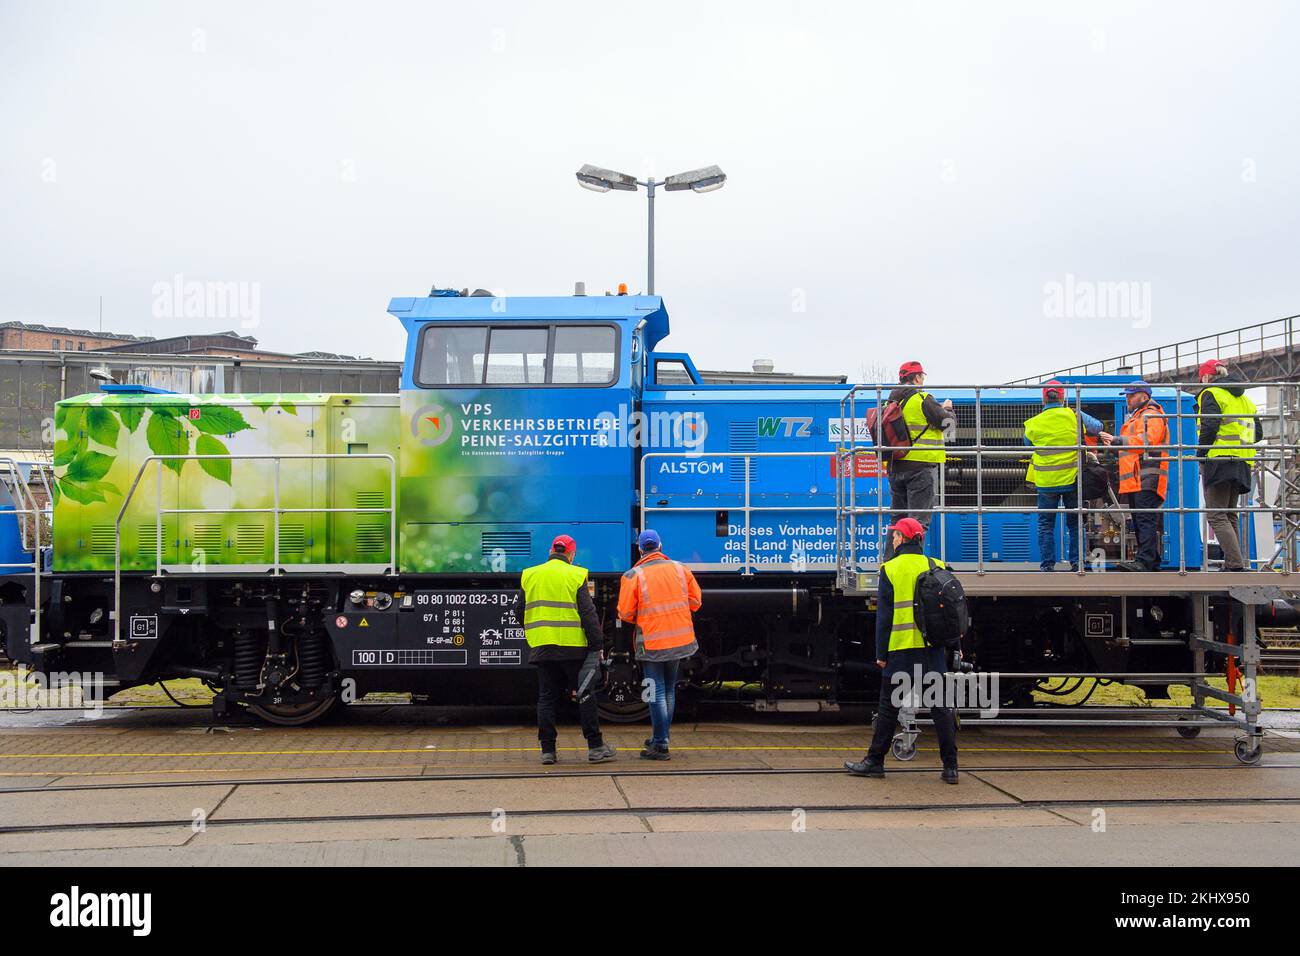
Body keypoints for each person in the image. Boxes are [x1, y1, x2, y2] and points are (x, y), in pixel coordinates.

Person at [845, 518, 959, 784]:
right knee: (940, 708)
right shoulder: (937, 566)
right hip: (933, 651)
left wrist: (881, 654)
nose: (893, 539)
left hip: (901, 651)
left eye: (895, 535)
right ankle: (950, 767)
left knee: (888, 708)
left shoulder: (890, 568)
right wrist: (956, 647)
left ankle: (875, 762)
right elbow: (951, 613)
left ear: (905, 538)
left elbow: (884, 618)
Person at [520, 535, 617, 765]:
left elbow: (518, 611)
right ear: (571, 554)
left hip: (543, 647)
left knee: (546, 697)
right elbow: (588, 613)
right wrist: (597, 645)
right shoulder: (575, 575)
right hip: (574, 649)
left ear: (550, 551)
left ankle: (548, 751)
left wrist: (536, 630)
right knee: (584, 694)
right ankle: (595, 747)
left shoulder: (531, 574)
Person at [617, 529, 702, 760]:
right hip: (679, 640)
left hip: (651, 644)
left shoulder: (633, 576)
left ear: (640, 549)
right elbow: (696, 602)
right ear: (661, 546)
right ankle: (660, 737)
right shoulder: (680, 569)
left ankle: (661, 744)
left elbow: (625, 614)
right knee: (669, 689)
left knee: (654, 692)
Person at [1023, 380, 1112, 571]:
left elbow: (1028, 444)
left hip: (1046, 483)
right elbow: (1097, 427)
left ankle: (1047, 566)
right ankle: (1077, 563)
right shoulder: (1074, 415)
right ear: (1062, 397)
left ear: (1043, 398)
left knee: (1045, 525)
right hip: (1073, 480)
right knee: (1075, 523)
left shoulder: (1034, 422)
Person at [883, 361, 955, 560]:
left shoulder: (890, 403)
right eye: (922, 377)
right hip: (920, 469)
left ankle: (890, 565)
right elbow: (948, 426)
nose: (923, 381)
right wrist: (948, 409)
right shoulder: (922, 399)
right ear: (916, 378)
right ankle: (911, 566)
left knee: (897, 520)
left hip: (895, 469)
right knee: (917, 521)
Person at [1195, 359, 1263, 571]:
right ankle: (1234, 562)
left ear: (1206, 377)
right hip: (1242, 462)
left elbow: (1209, 425)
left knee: (1216, 514)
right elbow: (1258, 434)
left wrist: (1201, 454)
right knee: (1229, 513)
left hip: (1218, 460)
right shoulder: (1246, 400)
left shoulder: (1211, 393)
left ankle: (1234, 563)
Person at [1112, 382, 1169, 572]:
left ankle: (1145, 561)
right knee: (1140, 519)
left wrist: (1116, 441)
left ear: (1143, 396)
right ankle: (1150, 559)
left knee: (1145, 519)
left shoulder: (1150, 415)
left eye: (1131, 395)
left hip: (1148, 476)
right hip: (1138, 478)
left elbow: (1146, 441)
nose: (1127, 398)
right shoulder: (1139, 416)